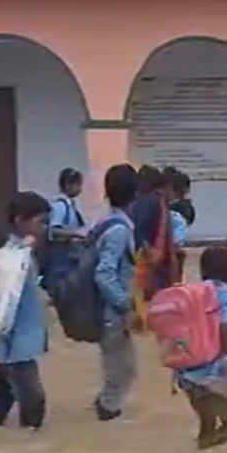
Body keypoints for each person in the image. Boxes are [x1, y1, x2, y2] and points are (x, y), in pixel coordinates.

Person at [0, 191, 51, 431]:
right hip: (18, 343)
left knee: (1, 396)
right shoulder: (16, 258)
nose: (44, 228)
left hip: (10, 342)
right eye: (40, 222)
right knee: (33, 399)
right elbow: (5, 302)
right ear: (21, 221)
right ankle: (29, 442)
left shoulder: (15, 253)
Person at [173, 246, 227, 450]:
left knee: (206, 422)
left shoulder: (189, 293)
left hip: (186, 372)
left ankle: (202, 447)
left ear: (202, 270)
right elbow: (226, 328)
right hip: (213, 371)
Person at [94, 164, 139, 421]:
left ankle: (106, 402)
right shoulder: (119, 230)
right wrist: (124, 303)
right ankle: (107, 409)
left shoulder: (104, 221)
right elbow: (104, 273)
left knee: (119, 365)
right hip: (112, 312)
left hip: (106, 309)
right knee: (124, 368)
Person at [130, 165, 178, 330]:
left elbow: (139, 228)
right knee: (150, 289)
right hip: (152, 254)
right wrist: (148, 250)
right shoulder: (152, 201)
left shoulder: (143, 201)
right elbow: (140, 229)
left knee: (146, 290)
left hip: (149, 253)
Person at [42, 167, 87, 291]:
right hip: (61, 259)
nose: (80, 189)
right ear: (68, 185)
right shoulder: (60, 206)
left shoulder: (71, 205)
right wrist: (76, 234)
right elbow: (54, 231)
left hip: (71, 258)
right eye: (78, 185)